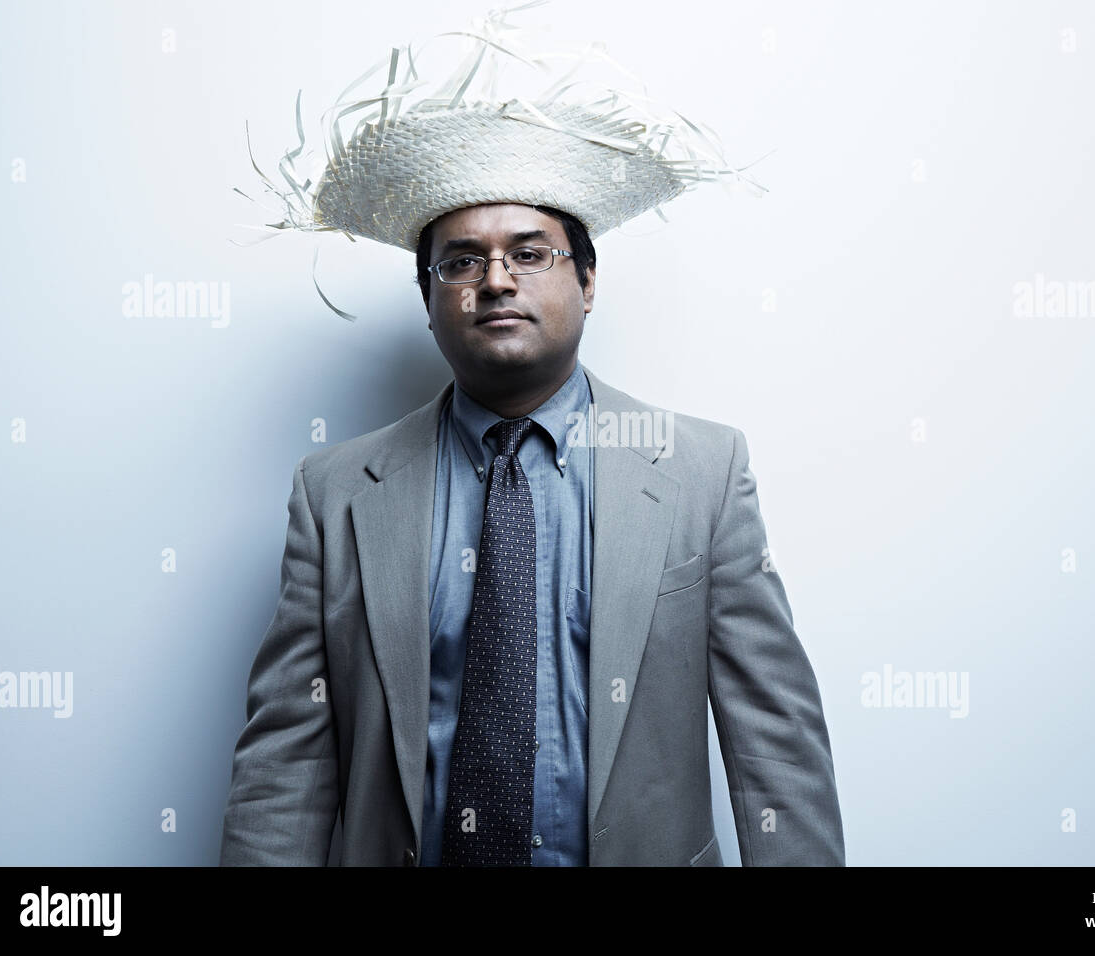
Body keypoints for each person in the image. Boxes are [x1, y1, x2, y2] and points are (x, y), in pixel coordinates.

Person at [219, 4, 845, 867]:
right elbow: (286, 763)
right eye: (461, 260)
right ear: (429, 299)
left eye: (530, 252)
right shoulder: (334, 495)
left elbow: (776, 739)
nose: (496, 280)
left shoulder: (704, 471)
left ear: (587, 282)